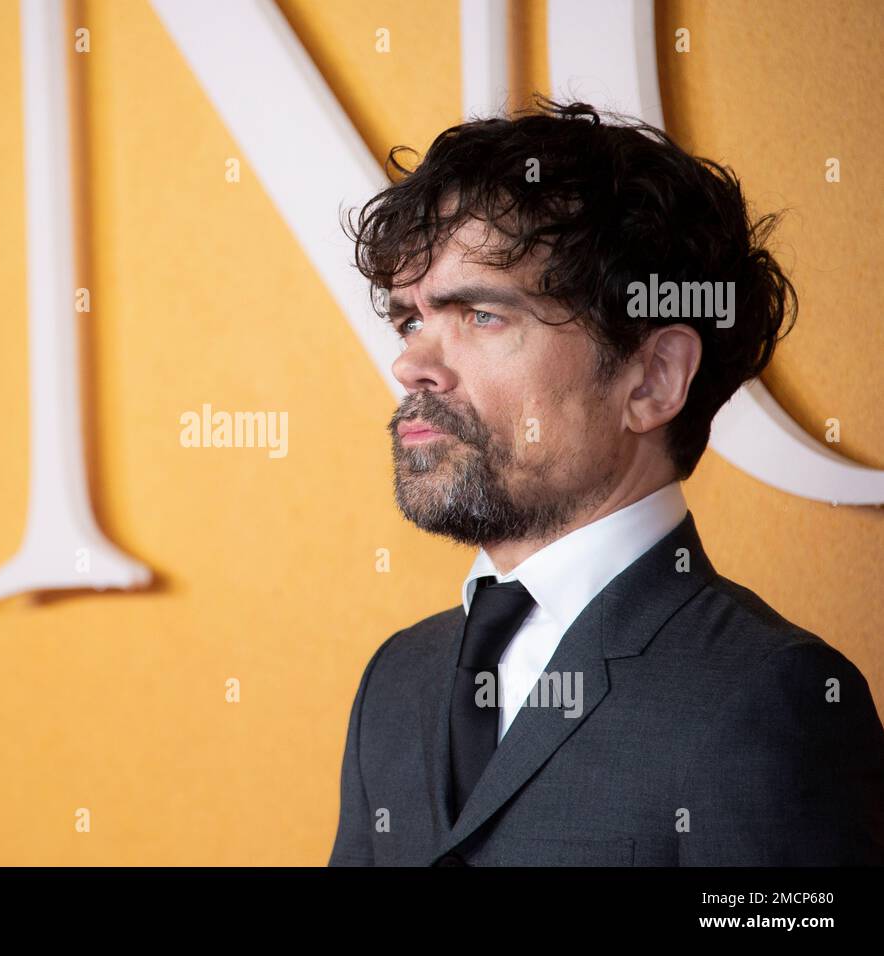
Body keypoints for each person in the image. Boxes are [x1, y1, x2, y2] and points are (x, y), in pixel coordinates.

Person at [327, 96, 884, 866]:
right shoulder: (397, 678)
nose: (411, 364)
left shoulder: (770, 698)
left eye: (482, 316)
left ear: (652, 379)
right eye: (409, 320)